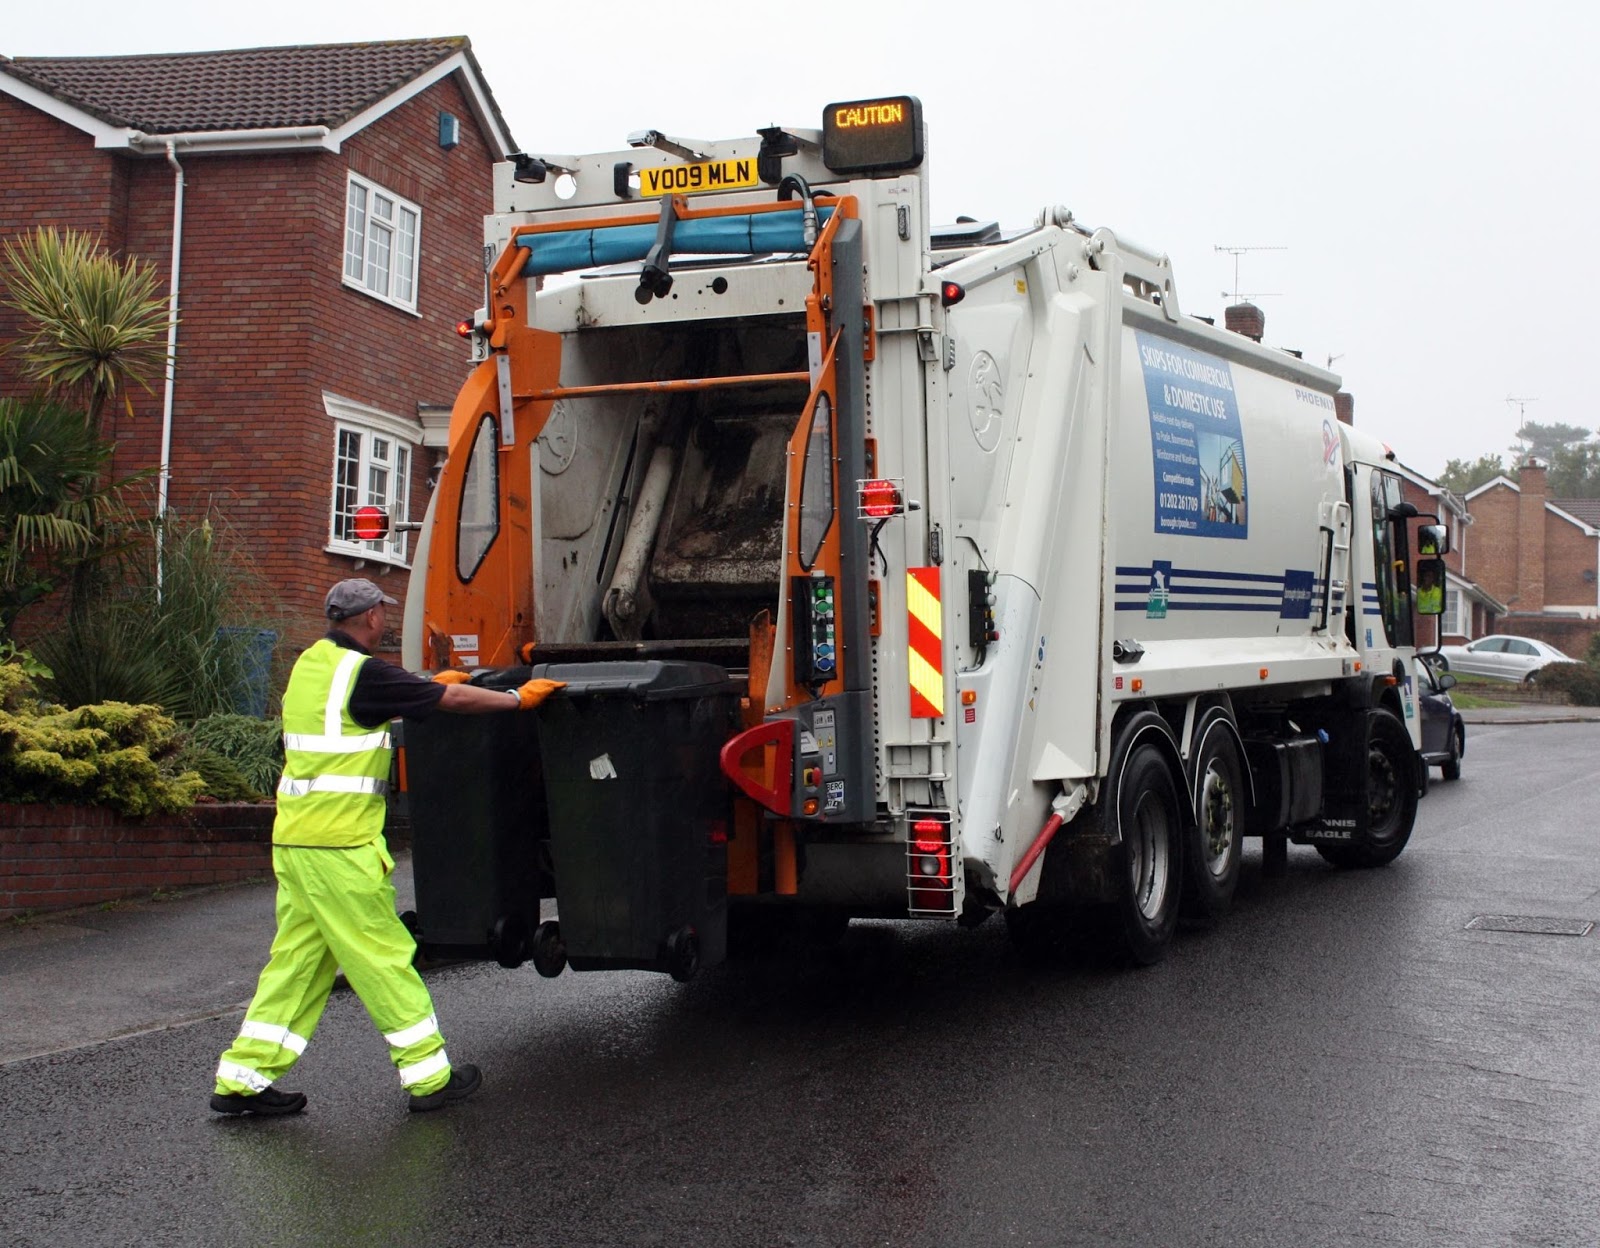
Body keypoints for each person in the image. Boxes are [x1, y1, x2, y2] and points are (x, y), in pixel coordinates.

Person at [210, 578, 563, 1117]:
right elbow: (452, 698)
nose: (385, 621)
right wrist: (516, 699)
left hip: (298, 840)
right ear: (371, 617)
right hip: (341, 847)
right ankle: (429, 1076)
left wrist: (420, 687)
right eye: (383, 614)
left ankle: (243, 1077)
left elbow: (359, 715)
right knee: (384, 957)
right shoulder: (365, 673)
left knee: (297, 963)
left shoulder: (312, 665)